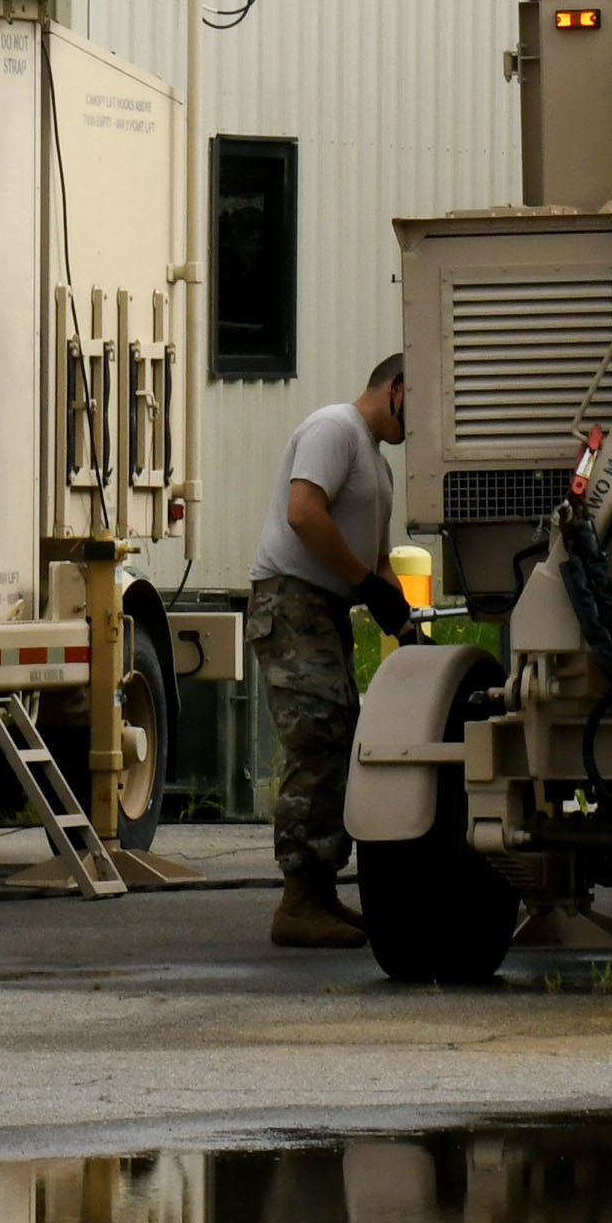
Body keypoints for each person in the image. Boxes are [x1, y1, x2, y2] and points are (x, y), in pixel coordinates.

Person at [249, 353, 418, 950]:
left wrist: (404, 621)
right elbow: (303, 513)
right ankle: (298, 902)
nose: (416, 428)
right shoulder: (335, 428)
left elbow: (376, 561)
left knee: (341, 735)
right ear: (396, 388)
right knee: (318, 738)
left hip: (323, 611)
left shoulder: (377, 467)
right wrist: (364, 583)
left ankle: (318, 893)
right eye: (417, 407)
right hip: (292, 604)